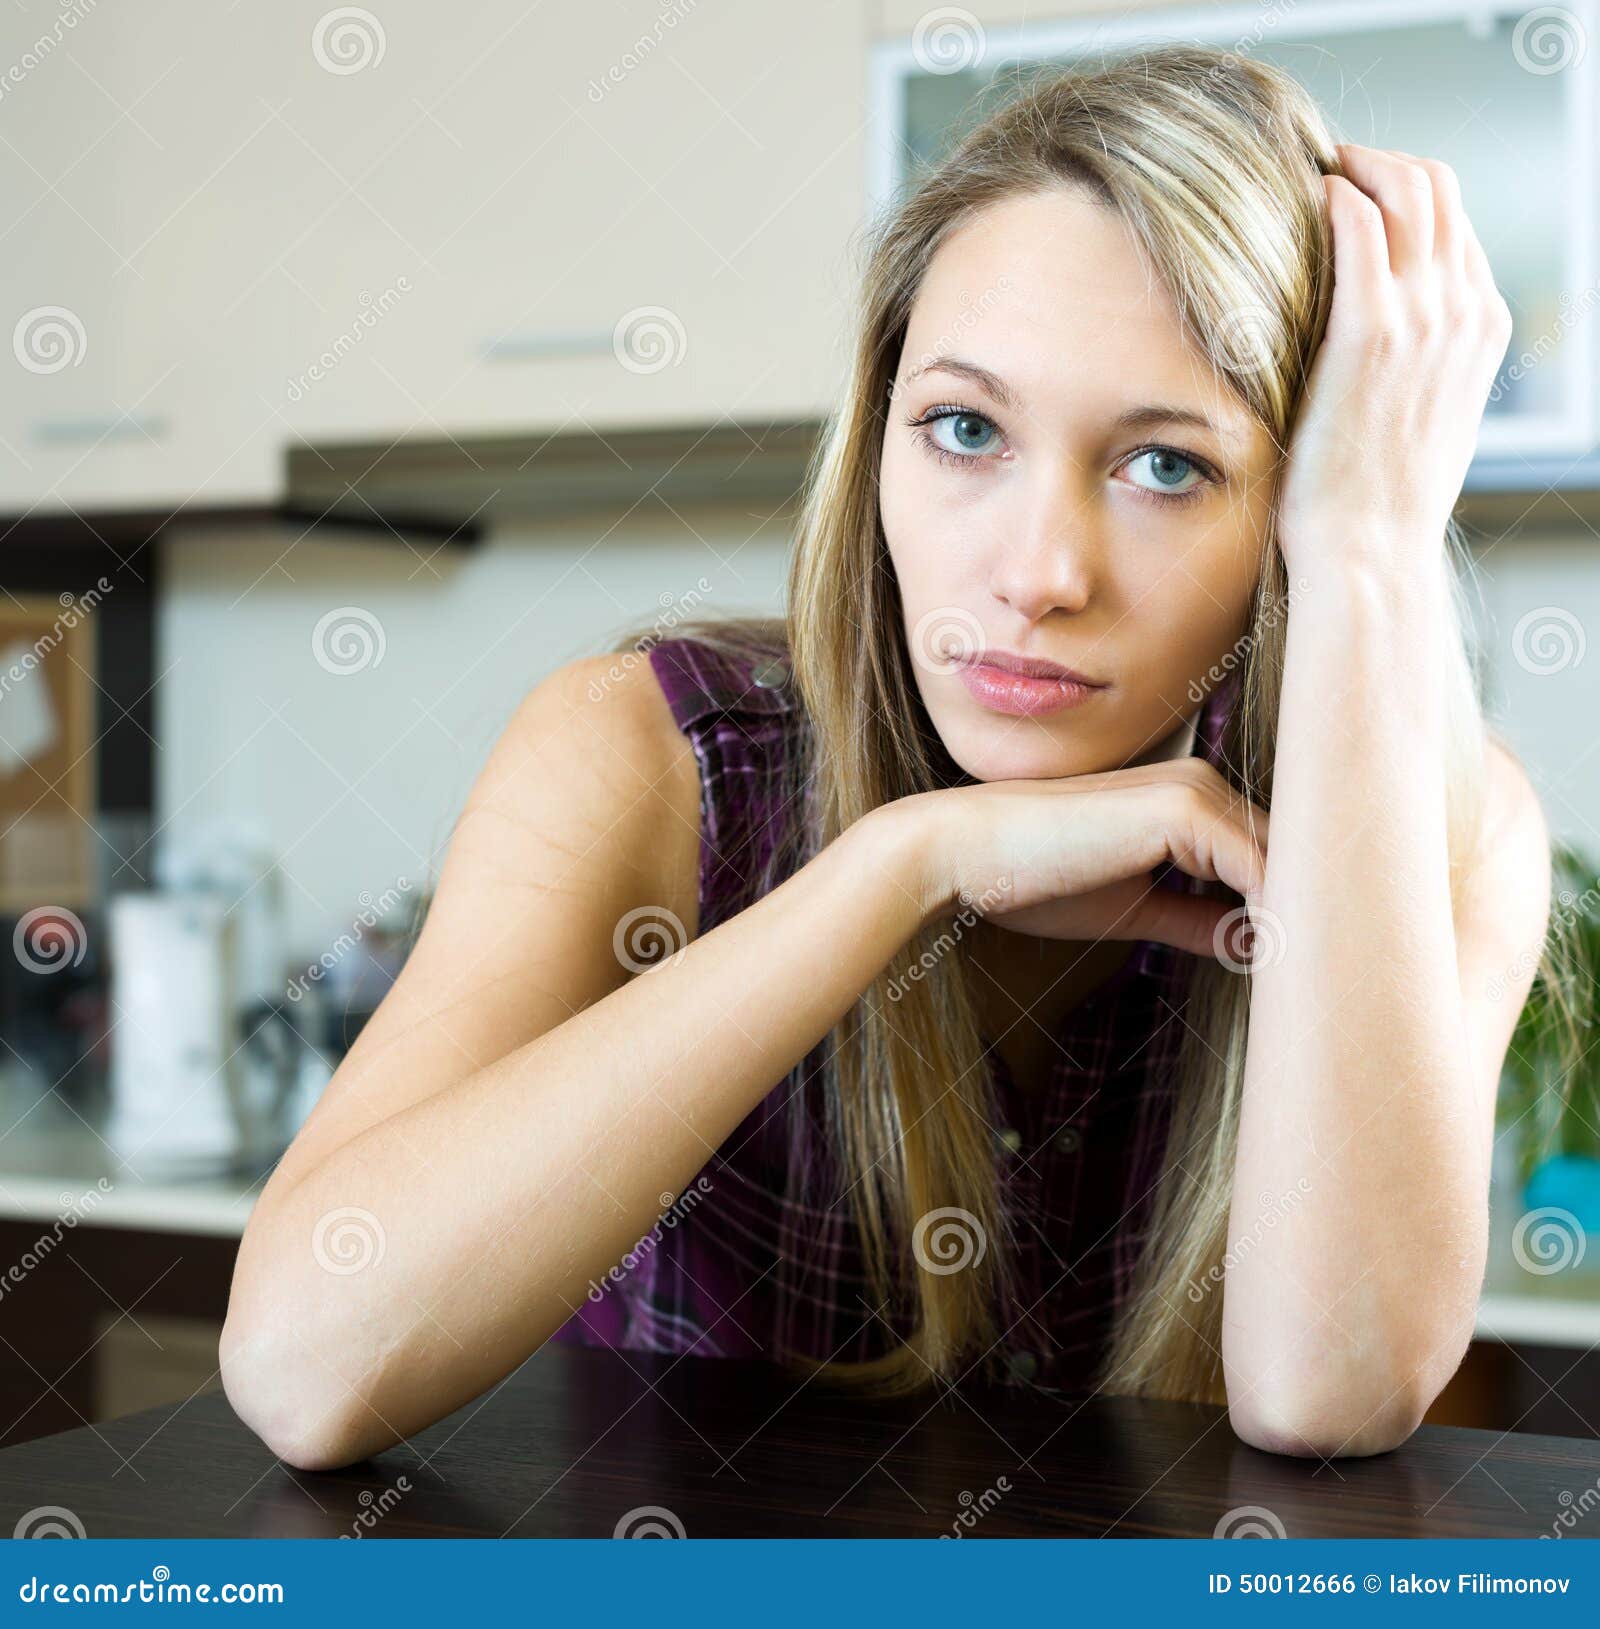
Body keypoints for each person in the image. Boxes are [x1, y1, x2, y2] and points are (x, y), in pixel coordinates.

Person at [221, 45, 1563, 1472]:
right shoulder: (649, 757)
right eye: (965, 429)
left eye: (1167, 465)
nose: (1039, 573)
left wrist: (1373, 543)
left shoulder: (1447, 831)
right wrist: (903, 866)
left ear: (1288, 509)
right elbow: (305, 1370)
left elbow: (1330, 1392)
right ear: (876, 445)